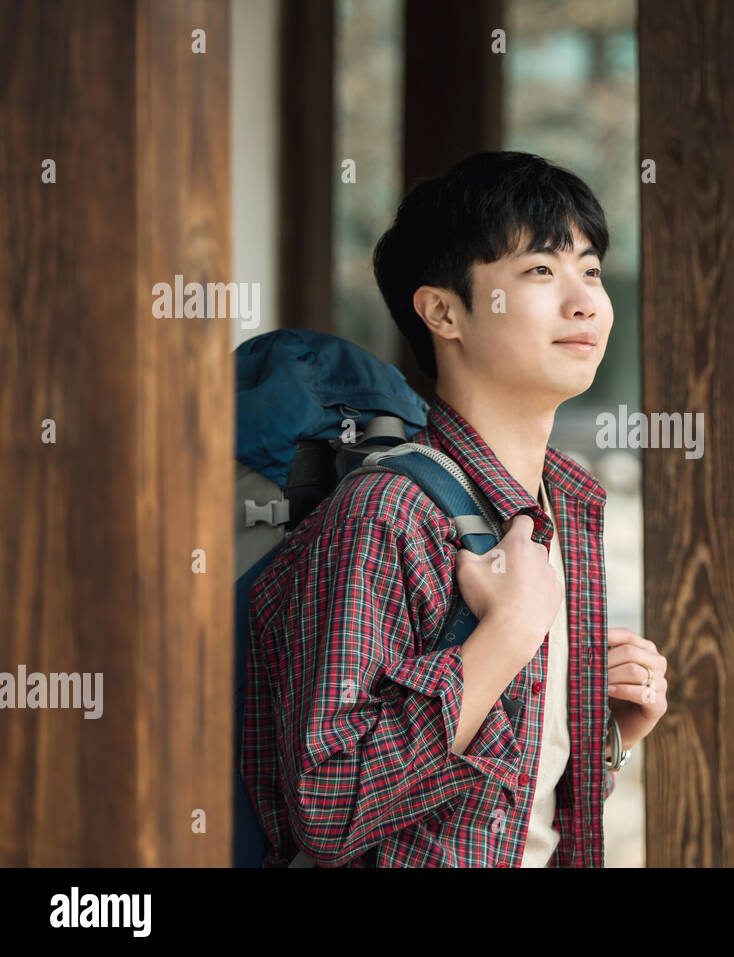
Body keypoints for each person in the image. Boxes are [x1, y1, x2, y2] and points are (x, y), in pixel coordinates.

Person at [242, 151, 668, 867]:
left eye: (589, 270)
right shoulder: (389, 512)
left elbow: (507, 818)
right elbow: (328, 803)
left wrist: (610, 740)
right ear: (444, 310)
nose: (586, 300)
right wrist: (505, 637)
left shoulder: (562, 507)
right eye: (541, 270)